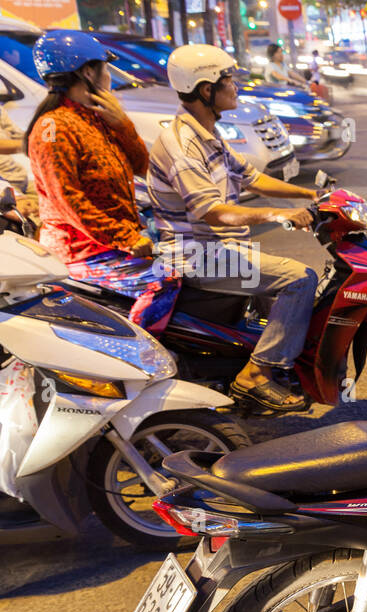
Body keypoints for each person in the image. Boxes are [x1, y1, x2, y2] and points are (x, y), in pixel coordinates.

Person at [147, 44, 322, 412]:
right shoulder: (182, 145)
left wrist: (314, 193)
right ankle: (256, 375)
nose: (236, 86)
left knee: (277, 295)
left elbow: (253, 178)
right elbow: (213, 213)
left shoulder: (208, 135)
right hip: (197, 256)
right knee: (300, 278)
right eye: (229, 79)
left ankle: (261, 365)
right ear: (205, 89)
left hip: (221, 249)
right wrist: (279, 215)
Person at [24, 31, 176, 329]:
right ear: (88, 71)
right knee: (166, 278)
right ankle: (142, 361)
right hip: (83, 251)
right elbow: (67, 200)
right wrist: (127, 237)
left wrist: (121, 123)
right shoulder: (53, 127)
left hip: (113, 242)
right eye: (105, 68)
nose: (109, 76)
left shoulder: (95, 118)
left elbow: (143, 166)